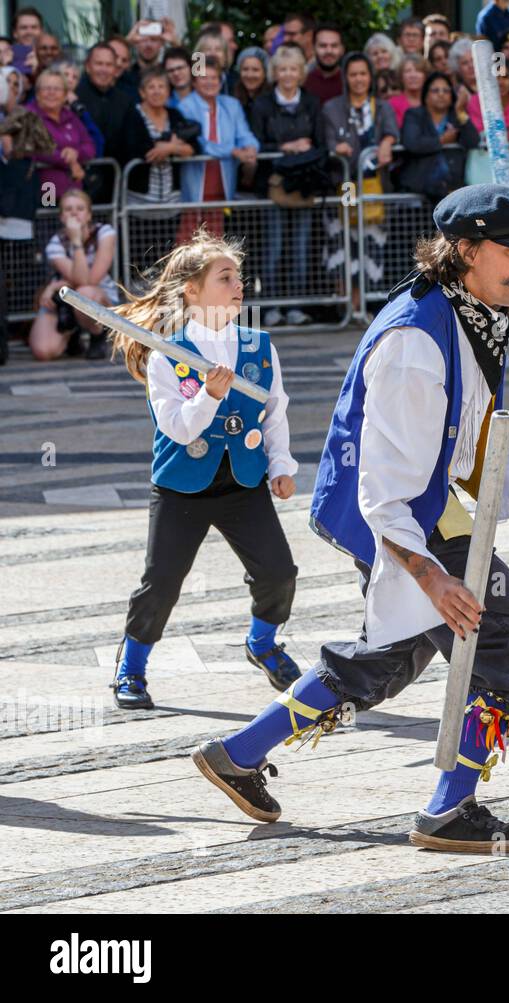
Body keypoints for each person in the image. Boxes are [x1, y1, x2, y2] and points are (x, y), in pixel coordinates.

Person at [192, 185, 509, 852]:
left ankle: (238, 753)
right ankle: (448, 810)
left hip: (419, 506)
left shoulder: (470, 306)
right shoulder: (415, 344)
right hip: (398, 517)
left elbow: (461, 419)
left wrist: (508, 470)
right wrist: (429, 577)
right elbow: (383, 491)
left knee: (387, 658)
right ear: (467, 250)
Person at [102, 230, 299, 709]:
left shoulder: (258, 344)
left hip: (243, 479)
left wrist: (281, 463)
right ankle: (131, 667)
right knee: (162, 582)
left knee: (278, 572)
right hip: (182, 485)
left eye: (238, 276)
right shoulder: (167, 353)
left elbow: (275, 408)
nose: (238, 285)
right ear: (191, 290)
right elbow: (177, 429)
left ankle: (262, 643)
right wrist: (209, 395)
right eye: (225, 277)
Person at [248, 43, 320, 328]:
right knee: (274, 247)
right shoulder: (263, 105)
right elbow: (256, 144)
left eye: (293, 69)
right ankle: (272, 306)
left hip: (303, 185)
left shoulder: (311, 103)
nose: (288, 74)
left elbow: (320, 142)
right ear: (274, 72)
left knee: (300, 248)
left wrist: (305, 150)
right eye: (282, 69)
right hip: (274, 185)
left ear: (301, 73)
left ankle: (296, 306)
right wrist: (285, 147)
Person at [320, 52, 397, 291]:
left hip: (374, 185)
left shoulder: (382, 107)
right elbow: (327, 142)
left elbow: (393, 131)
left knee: (371, 244)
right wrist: (336, 147)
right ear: (345, 77)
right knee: (343, 242)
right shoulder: (332, 108)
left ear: (370, 77)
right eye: (353, 74)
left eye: (363, 73)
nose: (359, 79)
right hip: (344, 184)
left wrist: (387, 142)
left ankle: (367, 302)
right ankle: (347, 304)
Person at [117, 67, 196, 279]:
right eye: (151, 87)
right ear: (142, 92)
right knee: (140, 262)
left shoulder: (175, 114)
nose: (156, 91)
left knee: (166, 262)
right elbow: (138, 149)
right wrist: (171, 146)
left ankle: (162, 305)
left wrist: (170, 149)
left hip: (171, 202)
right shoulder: (133, 115)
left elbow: (193, 146)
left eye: (162, 86)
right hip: (140, 204)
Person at [177, 54, 260, 238]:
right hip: (196, 184)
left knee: (216, 242)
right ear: (195, 82)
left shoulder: (232, 105)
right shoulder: (186, 106)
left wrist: (250, 147)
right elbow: (198, 143)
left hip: (222, 184)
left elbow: (244, 133)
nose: (210, 82)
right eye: (204, 78)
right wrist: (231, 151)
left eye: (214, 78)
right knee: (189, 242)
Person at [30, 189, 118, 360]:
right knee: (43, 351)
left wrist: (76, 242)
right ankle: (72, 332)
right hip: (63, 300)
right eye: (68, 209)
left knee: (84, 292)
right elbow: (80, 278)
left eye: (80, 208)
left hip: (98, 296)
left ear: (89, 215)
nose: (74, 213)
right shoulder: (55, 243)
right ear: (62, 217)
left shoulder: (105, 233)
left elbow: (89, 279)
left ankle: (97, 335)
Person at [398, 71, 477, 201]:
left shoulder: (456, 117)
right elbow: (412, 143)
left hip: (452, 190)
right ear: (426, 96)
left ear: (452, 96)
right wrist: (441, 140)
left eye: (446, 91)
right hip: (420, 190)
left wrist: (460, 112)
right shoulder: (414, 115)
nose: (441, 94)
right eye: (435, 90)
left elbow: (473, 141)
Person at [26, 68, 95, 202]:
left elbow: (89, 145)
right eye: (46, 88)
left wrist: (76, 153)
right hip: (46, 187)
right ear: (38, 93)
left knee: (72, 220)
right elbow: (39, 148)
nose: (51, 93)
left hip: (73, 190)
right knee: (48, 218)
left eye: (57, 89)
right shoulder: (28, 115)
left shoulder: (70, 116)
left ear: (65, 95)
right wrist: (70, 163)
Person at [305, 23, 345, 105]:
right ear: (313, 49)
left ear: (342, 49)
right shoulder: (303, 82)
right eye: (323, 46)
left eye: (334, 46)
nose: (329, 51)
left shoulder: (350, 82)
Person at [388, 54, 429, 127]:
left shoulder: (433, 101)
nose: (413, 75)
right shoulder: (391, 105)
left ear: (425, 76)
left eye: (418, 71)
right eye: (407, 71)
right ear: (401, 77)